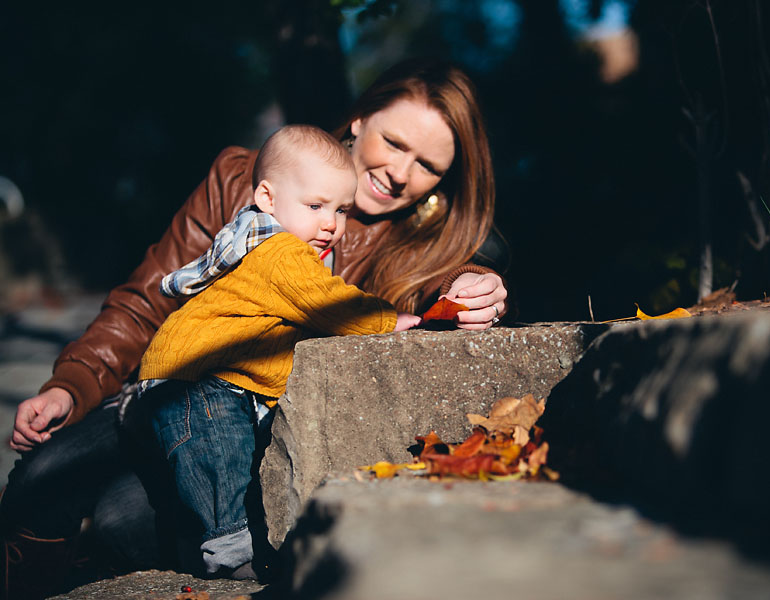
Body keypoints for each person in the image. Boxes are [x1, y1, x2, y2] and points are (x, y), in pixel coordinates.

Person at [1, 58, 508, 596]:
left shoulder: (427, 244)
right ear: (359, 119)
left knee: (119, 523)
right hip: (169, 389)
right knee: (42, 475)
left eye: (428, 165)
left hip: (251, 427)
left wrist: (474, 282)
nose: (402, 172)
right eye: (395, 142)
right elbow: (147, 298)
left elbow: (445, 285)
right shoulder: (240, 176)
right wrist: (72, 383)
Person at [140, 124, 420, 580]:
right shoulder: (279, 251)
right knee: (222, 457)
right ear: (268, 198)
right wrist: (390, 321)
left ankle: (203, 547)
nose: (331, 223)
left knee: (222, 461)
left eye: (341, 210)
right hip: (195, 378)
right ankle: (231, 553)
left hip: (209, 376)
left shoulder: (266, 242)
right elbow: (329, 304)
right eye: (315, 206)